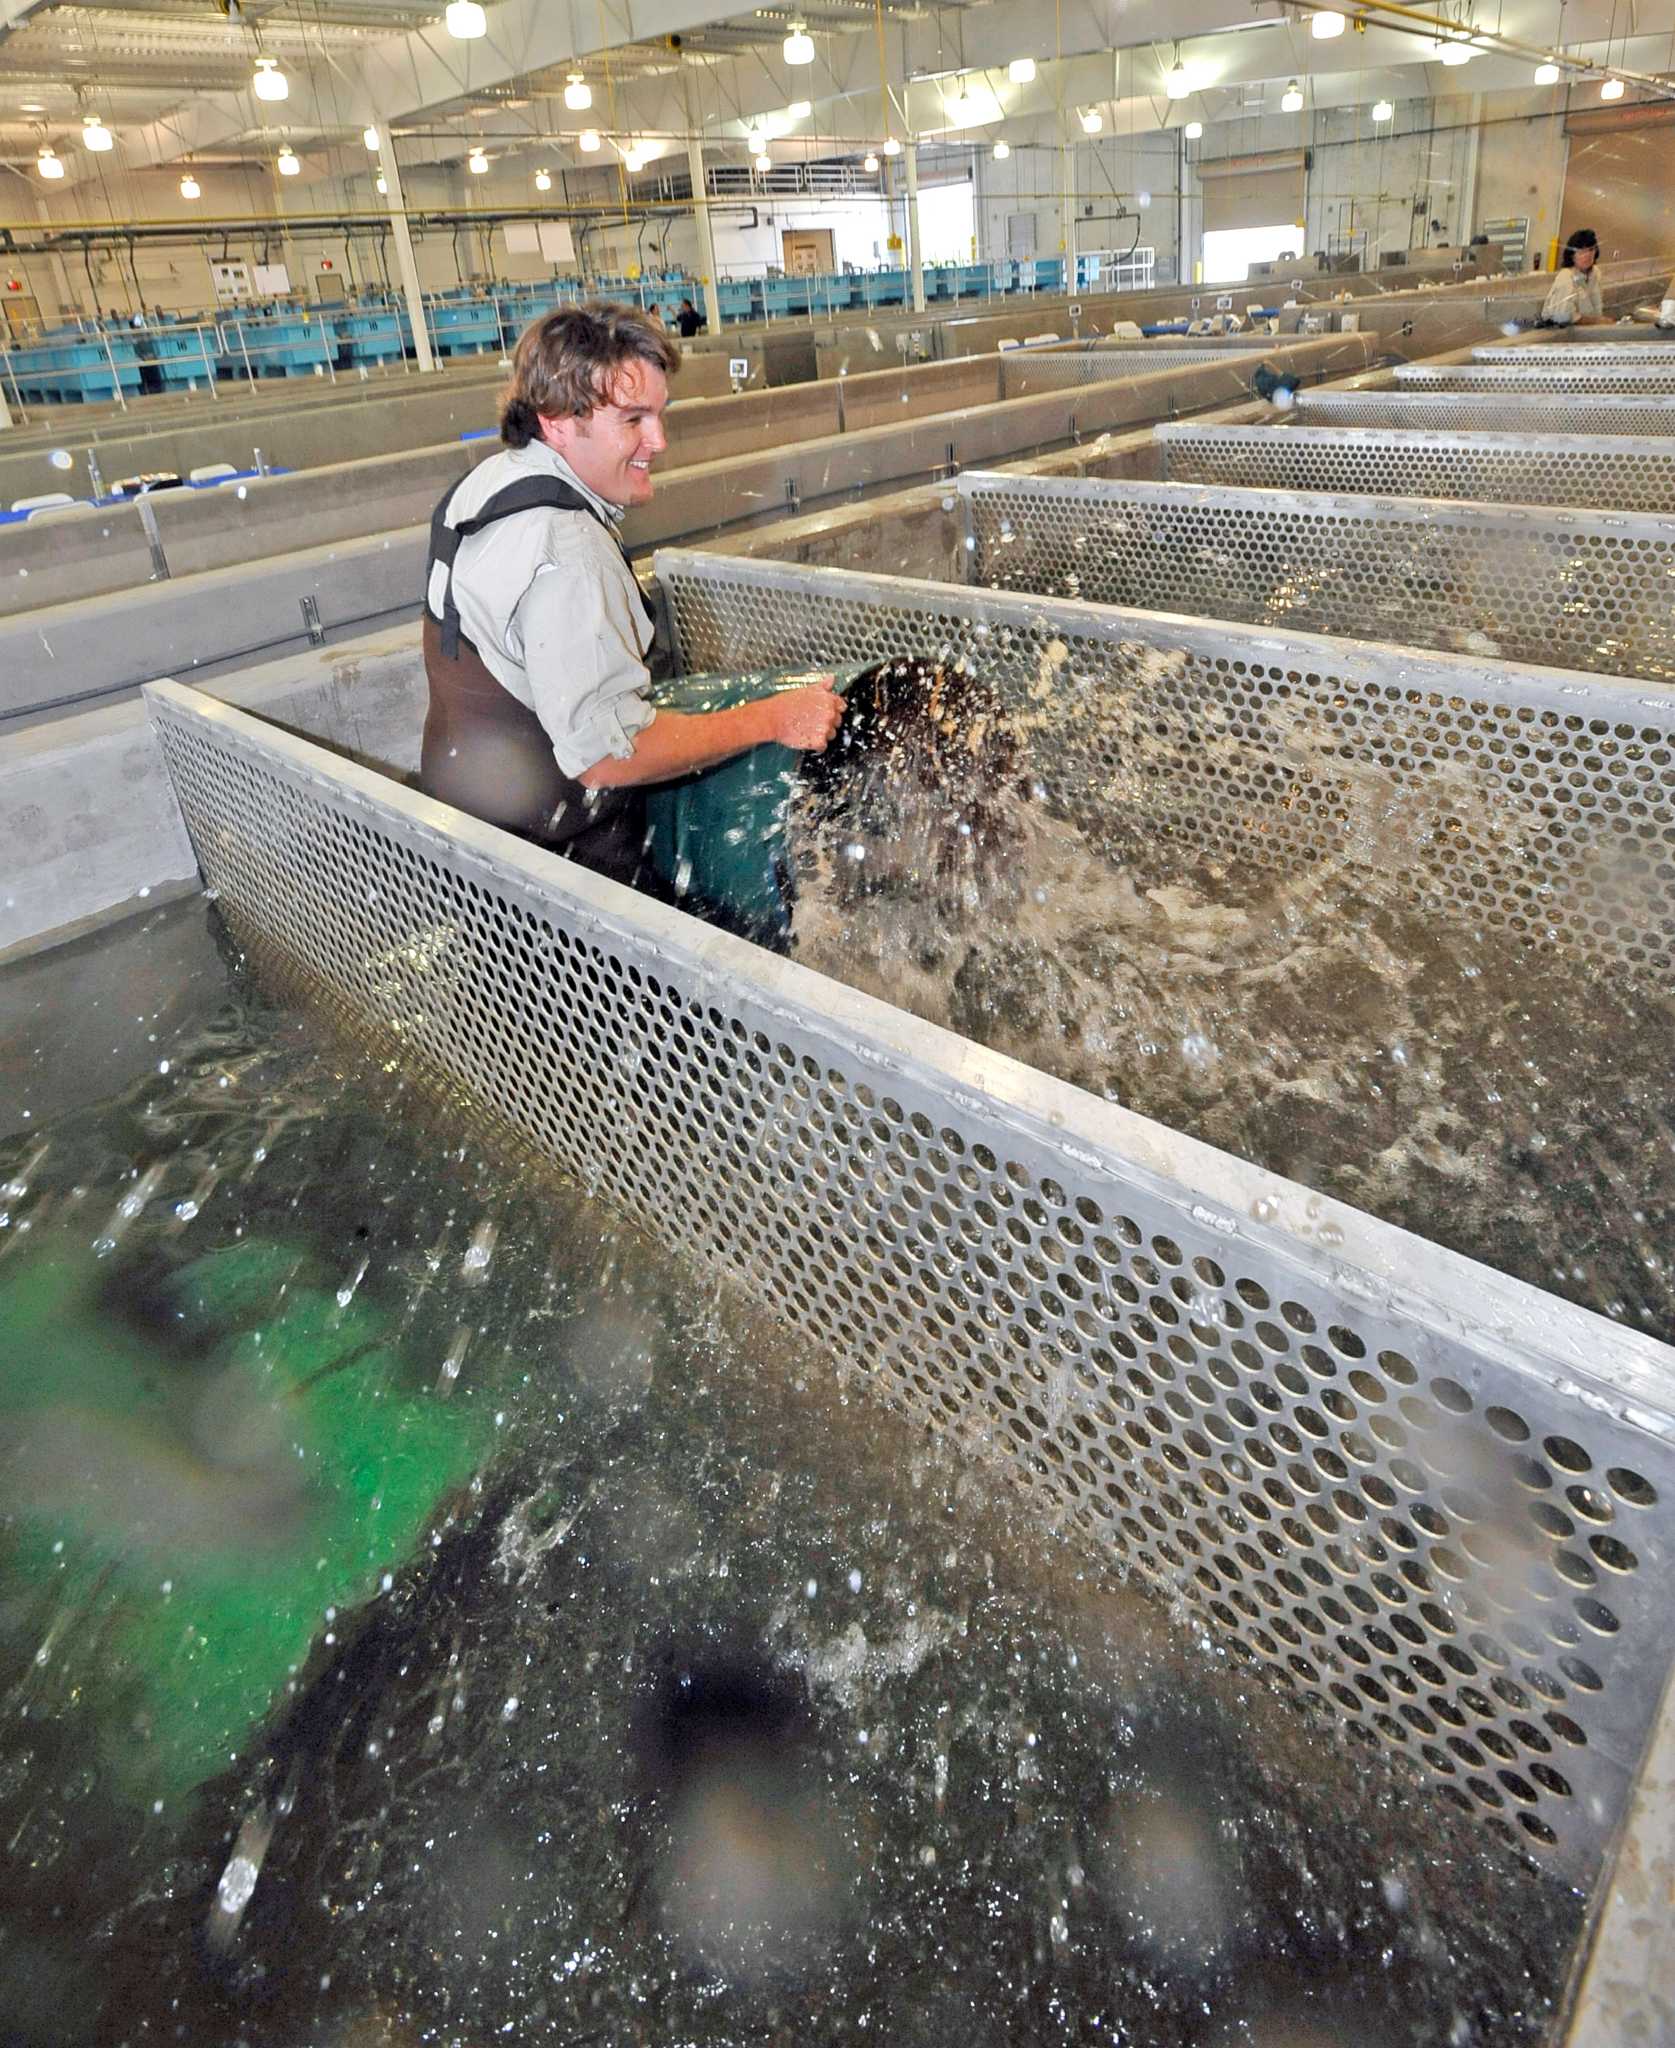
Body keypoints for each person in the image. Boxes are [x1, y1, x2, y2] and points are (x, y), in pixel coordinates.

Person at [420, 300, 842, 895]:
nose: (659, 440)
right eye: (633, 420)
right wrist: (773, 718)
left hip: (462, 819)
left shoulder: (491, 480)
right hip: (550, 863)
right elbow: (605, 757)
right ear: (559, 420)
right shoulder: (567, 546)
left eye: (660, 415)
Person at [1540, 228, 1607, 326]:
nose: (1587, 255)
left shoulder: (1595, 274)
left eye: (1591, 250)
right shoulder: (1566, 276)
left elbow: (1597, 308)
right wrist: (1596, 321)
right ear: (1572, 255)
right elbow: (1563, 316)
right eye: (1581, 251)